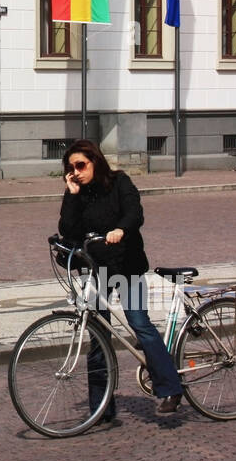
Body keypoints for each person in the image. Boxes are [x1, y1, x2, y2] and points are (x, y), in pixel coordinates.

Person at [58, 139, 184, 419]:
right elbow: (68, 229)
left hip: (126, 265)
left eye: (81, 165)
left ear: (95, 162)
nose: (76, 172)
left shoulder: (120, 182)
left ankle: (170, 388)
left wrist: (120, 230)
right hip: (97, 269)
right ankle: (101, 408)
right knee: (98, 336)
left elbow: (134, 214)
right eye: (71, 168)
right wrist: (71, 194)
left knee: (139, 323)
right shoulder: (79, 193)